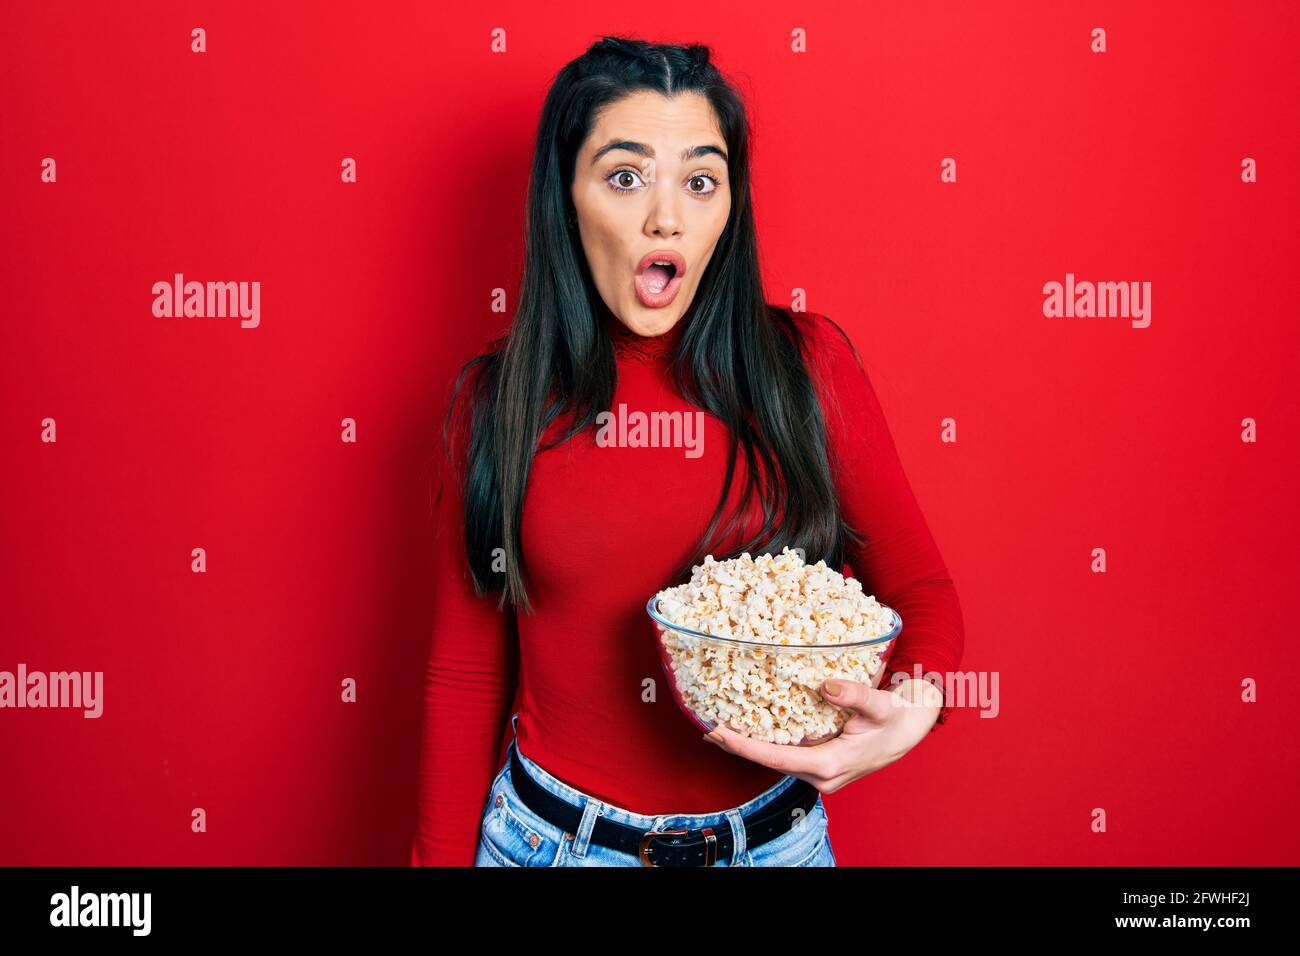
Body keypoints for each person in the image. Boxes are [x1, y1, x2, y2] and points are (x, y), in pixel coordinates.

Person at [412, 36, 964, 867]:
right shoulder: (499, 404)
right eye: (625, 176)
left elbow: (920, 585)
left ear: (730, 207)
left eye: (700, 181)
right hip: (548, 845)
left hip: (773, 846)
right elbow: (465, 679)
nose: (665, 216)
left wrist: (916, 704)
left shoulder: (804, 369)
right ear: (564, 199)